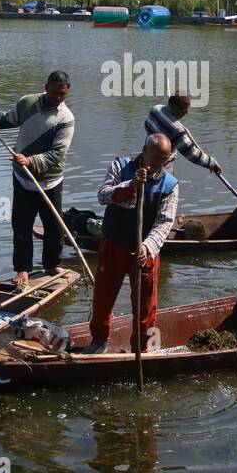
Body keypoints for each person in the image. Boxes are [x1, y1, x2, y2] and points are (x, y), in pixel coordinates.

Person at [0, 71, 75, 288]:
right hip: (23, 178)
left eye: (62, 95)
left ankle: (51, 264)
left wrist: (30, 160)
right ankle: (23, 268)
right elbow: (6, 119)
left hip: (49, 180)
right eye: (54, 93)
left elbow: (57, 154)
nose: (58, 98)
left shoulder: (66, 119)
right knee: (21, 224)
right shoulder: (27, 102)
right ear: (46, 87)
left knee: (54, 227)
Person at [78, 134, 178, 355]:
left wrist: (147, 246)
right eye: (155, 158)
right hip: (114, 244)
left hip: (144, 252)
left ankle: (142, 349)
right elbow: (102, 196)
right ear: (144, 151)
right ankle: (99, 341)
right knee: (103, 297)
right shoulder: (120, 166)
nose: (158, 164)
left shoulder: (169, 184)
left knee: (145, 306)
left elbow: (164, 223)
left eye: (164, 159)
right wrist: (131, 185)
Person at [145, 93, 221, 176]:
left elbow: (146, 125)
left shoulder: (155, 109)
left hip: (146, 158)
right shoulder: (177, 130)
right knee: (168, 186)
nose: (187, 112)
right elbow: (192, 155)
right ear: (175, 107)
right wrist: (212, 163)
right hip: (163, 168)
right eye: (184, 109)